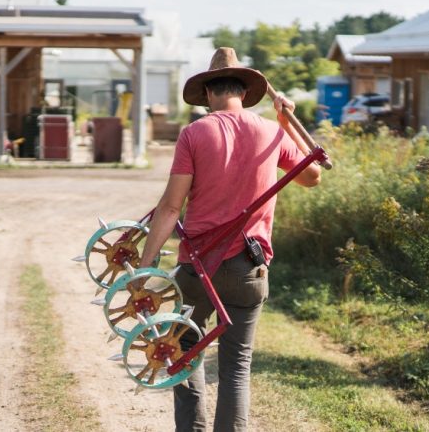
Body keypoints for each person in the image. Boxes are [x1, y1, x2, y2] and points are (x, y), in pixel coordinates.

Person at [138, 47, 321, 431]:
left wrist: (145, 266)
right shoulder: (271, 132)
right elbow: (312, 175)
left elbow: (171, 208)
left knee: (184, 351)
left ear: (207, 93)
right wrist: (287, 122)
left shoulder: (195, 133)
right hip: (248, 271)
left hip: (197, 269)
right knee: (236, 367)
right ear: (244, 90)